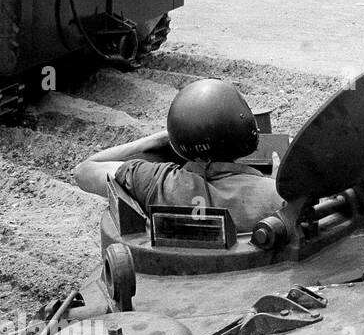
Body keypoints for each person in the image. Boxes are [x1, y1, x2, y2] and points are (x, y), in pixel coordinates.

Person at [73, 80, 284, 233]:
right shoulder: (275, 195)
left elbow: (84, 170)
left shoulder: (155, 182)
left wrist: (156, 140)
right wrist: (279, 185)